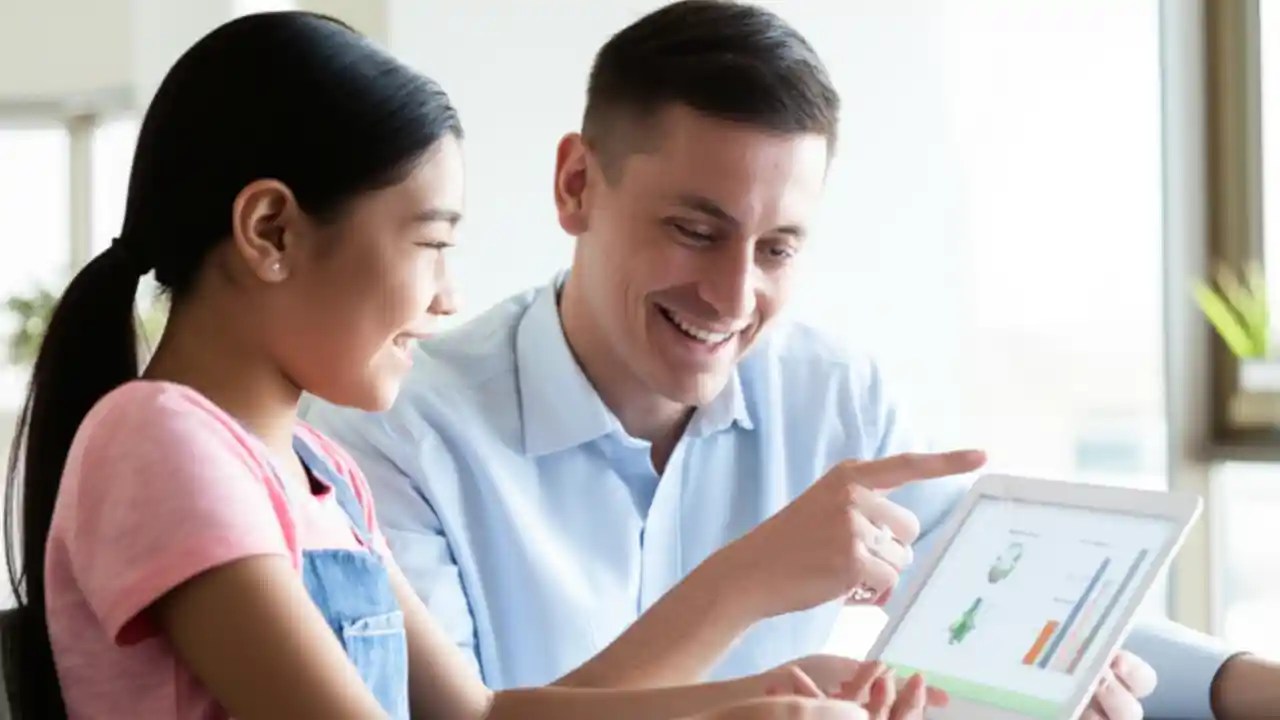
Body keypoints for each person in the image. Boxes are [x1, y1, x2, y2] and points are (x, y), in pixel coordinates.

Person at [302, 1, 1280, 719]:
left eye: (776, 250)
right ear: (574, 186)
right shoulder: (388, 432)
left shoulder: (832, 397)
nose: (732, 299)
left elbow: (1004, 607)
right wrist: (746, 578)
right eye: (693, 230)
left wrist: (1243, 683)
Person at [0, 11, 939, 720]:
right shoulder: (160, 439)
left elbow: (485, 716)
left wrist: (758, 697)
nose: (448, 298)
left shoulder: (322, 477)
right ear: (271, 231)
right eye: (428, 245)